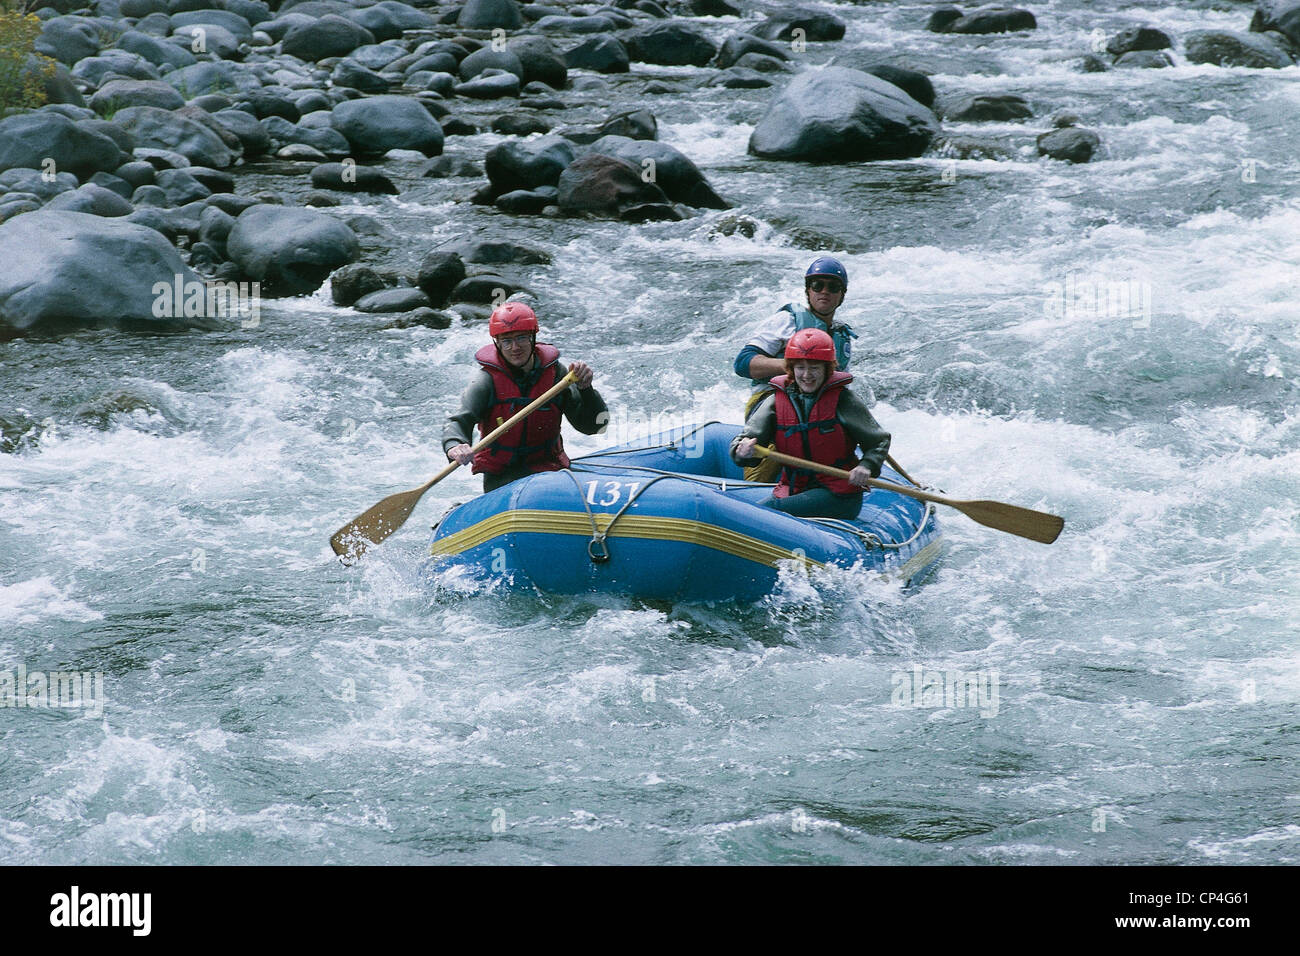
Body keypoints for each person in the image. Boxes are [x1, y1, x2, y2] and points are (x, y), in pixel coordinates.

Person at [443, 301, 608, 493]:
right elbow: (458, 420)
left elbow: (593, 427)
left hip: (550, 468)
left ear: (533, 338)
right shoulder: (486, 381)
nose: (515, 347)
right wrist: (455, 445)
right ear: (497, 344)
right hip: (503, 477)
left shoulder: (556, 374)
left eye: (521, 337)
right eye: (506, 341)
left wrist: (586, 390)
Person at [730, 328, 889, 520]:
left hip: (838, 494)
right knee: (761, 511)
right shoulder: (775, 402)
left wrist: (867, 466)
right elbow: (746, 438)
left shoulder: (843, 400)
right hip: (793, 489)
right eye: (800, 368)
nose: (806, 375)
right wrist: (741, 451)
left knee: (764, 512)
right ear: (791, 369)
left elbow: (878, 441)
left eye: (814, 368)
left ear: (826, 369)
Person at [733, 256, 857, 481]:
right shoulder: (786, 321)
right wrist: (795, 365)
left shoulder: (842, 337)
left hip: (815, 408)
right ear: (808, 291)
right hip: (772, 403)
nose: (824, 292)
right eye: (817, 285)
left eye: (833, 286)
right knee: (767, 462)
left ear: (842, 295)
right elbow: (743, 364)